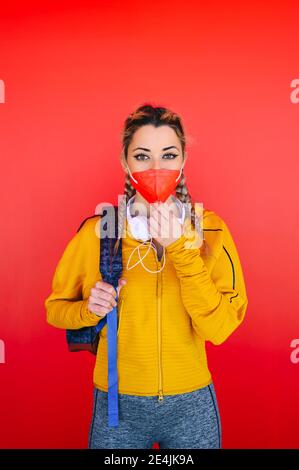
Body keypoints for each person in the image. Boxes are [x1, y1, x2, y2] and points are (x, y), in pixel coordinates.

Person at [45, 103, 248, 449]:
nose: (156, 168)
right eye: (142, 156)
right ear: (125, 162)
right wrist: (89, 309)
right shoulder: (100, 231)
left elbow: (220, 329)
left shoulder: (211, 230)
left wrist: (181, 248)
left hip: (191, 406)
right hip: (117, 406)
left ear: (183, 160)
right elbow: (55, 310)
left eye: (168, 156)